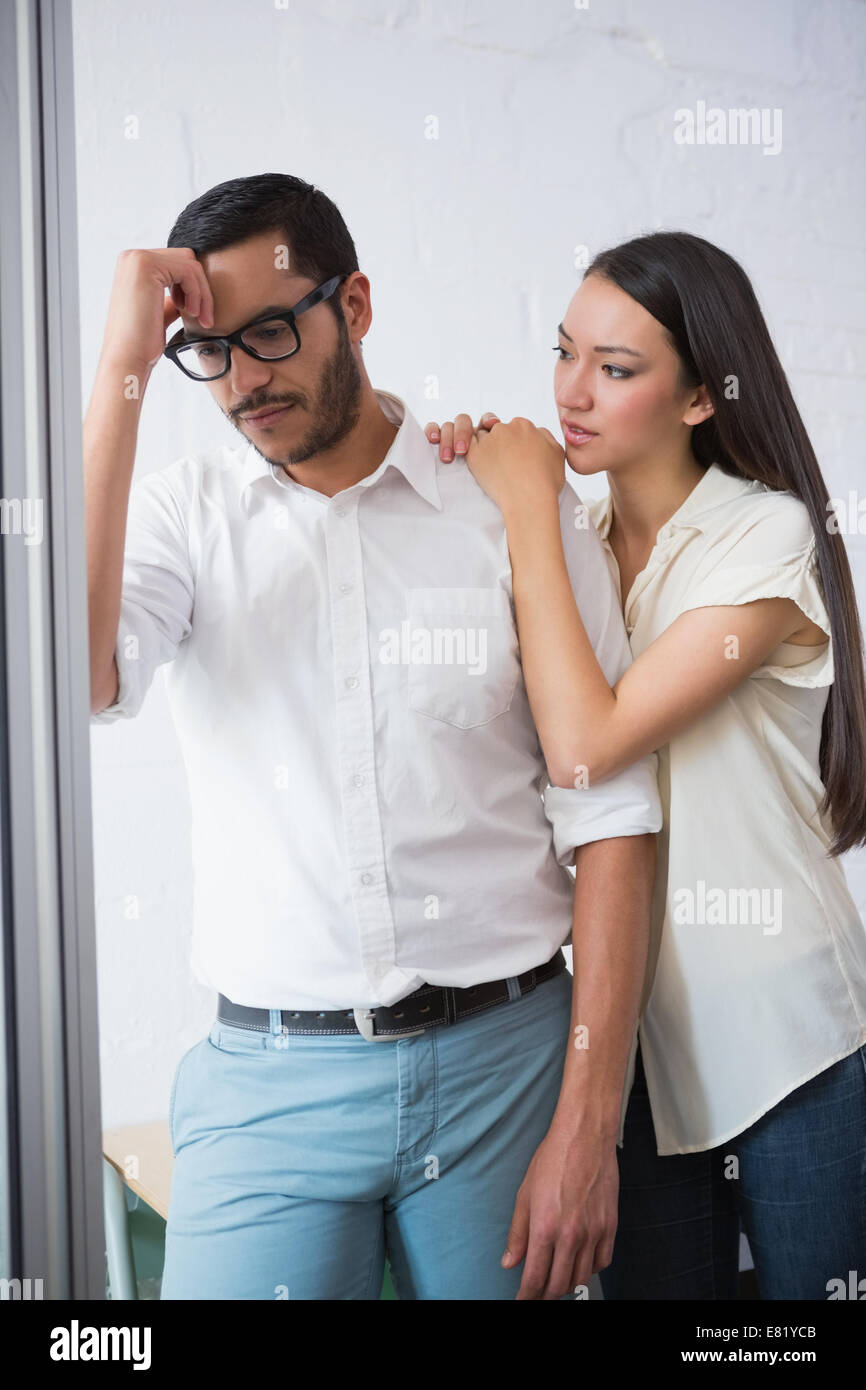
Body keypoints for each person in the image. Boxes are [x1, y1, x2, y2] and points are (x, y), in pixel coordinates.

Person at [86, 174, 664, 1301]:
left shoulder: (504, 499)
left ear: (352, 305)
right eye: (207, 350)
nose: (244, 379)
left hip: (506, 1064)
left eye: (269, 332)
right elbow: (77, 675)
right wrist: (121, 363)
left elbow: (609, 814)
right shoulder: (182, 518)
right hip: (268, 1086)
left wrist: (588, 1129)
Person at [423, 229, 866, 1300]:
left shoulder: (763, 540)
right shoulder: (566, 535)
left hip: (786, 1043)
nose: (571, 392)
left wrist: (522, 498)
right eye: (563, 352)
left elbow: (583, 749)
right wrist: (457, 493)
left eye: (615, 370)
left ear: (699, 398)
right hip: (621, 1052)